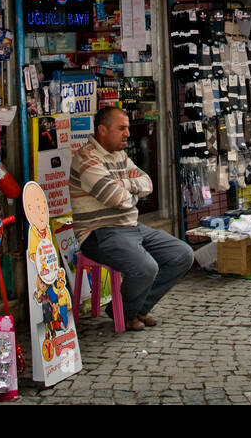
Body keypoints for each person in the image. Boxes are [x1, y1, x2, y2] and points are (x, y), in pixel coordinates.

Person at [70, 107, 194, 331]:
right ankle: (126, 314)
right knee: (145, 267)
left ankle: (136, 308)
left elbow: (147, 183)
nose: (128, 133)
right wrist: (131, 194)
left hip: (131, 226)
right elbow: (117, 199)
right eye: (122, 128)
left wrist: (126, 186)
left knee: (182, 254)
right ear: (102, 130)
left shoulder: (120, 155)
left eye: (127, 128)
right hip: (99, 232)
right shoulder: (86, 159)